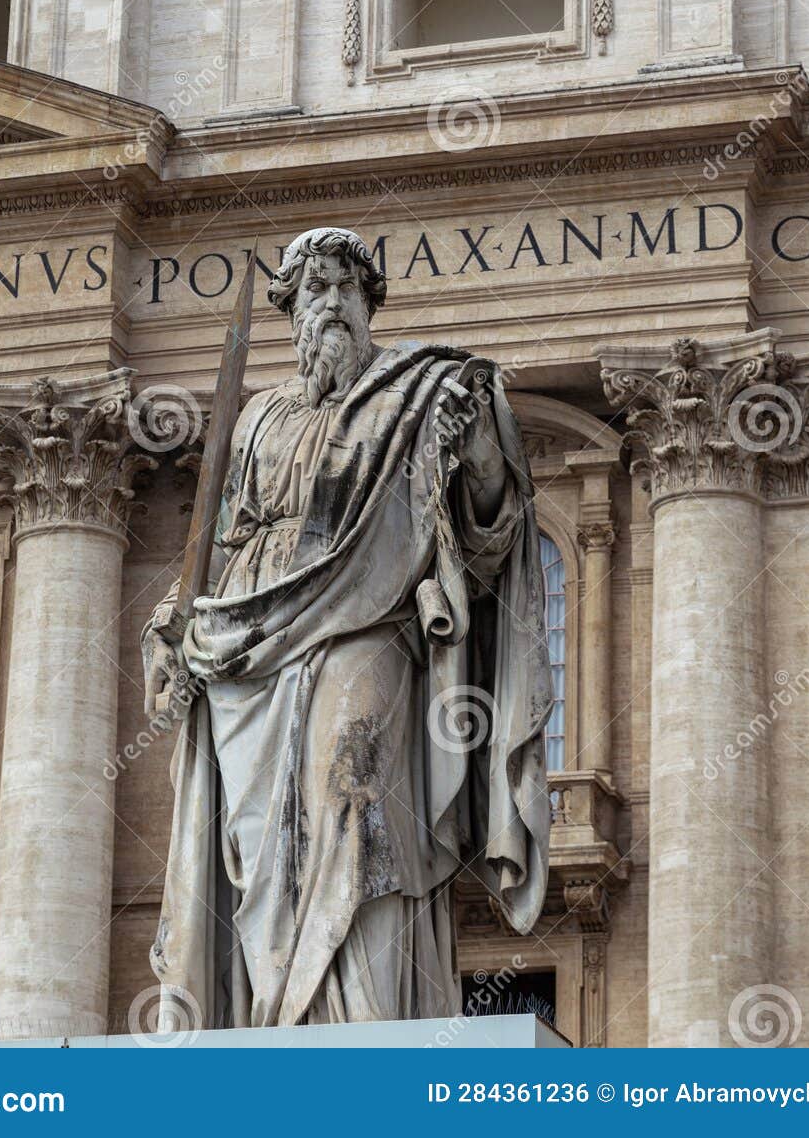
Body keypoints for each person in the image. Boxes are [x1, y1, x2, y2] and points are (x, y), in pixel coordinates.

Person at [145, 226, 552, 1029]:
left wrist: (477, 454)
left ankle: (362, 1018)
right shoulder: (258, 417)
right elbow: (219, 539)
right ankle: (277, 1016)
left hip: (368, 619)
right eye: (314, 290)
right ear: (291, 309)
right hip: (248, 644)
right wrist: (171, 620)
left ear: (369, 303)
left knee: (354, 794)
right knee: (261, 843)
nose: (330, 303)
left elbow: (486, 535)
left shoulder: (422, 393)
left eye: (344, 288)